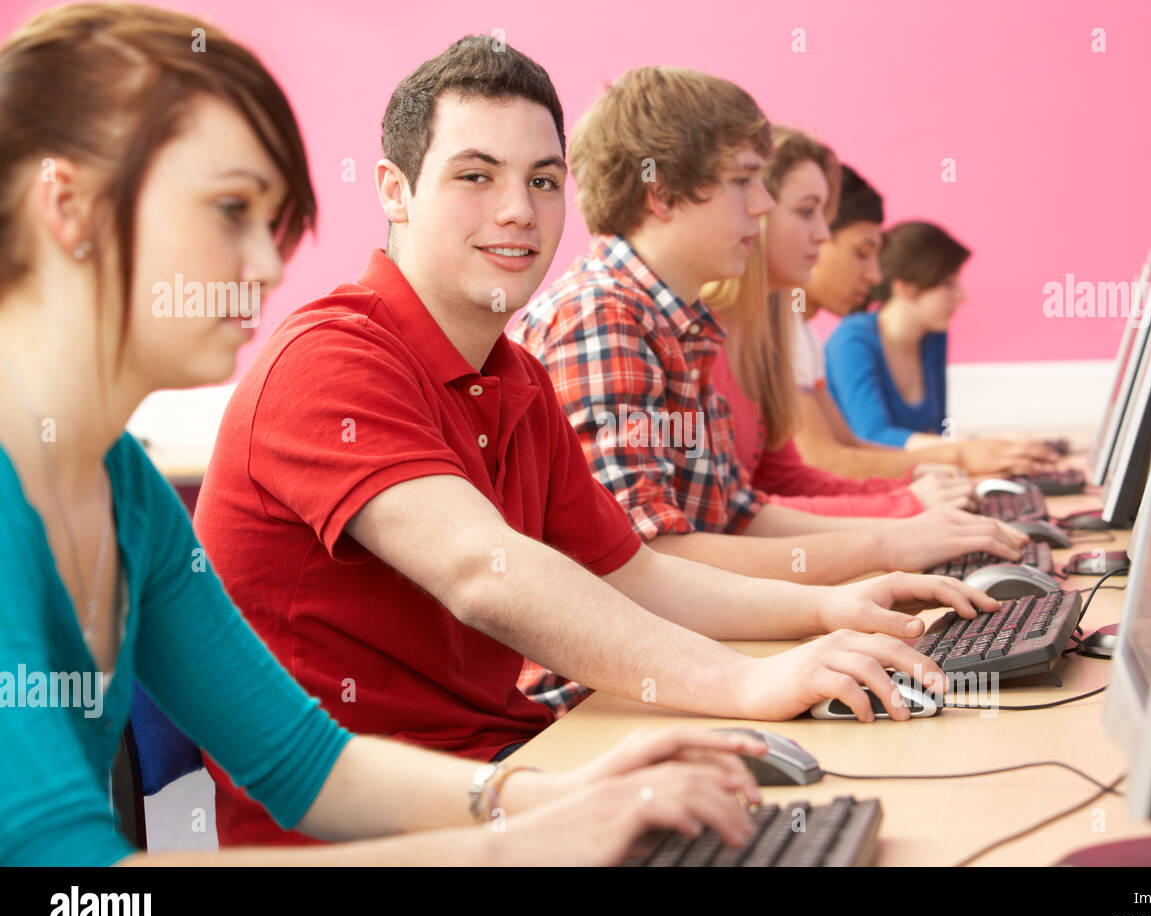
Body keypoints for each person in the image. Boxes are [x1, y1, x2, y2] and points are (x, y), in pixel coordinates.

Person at [0, 3, 777, 867]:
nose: (265, 264)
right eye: (229, 210)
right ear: (66, 204)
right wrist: (515, 845)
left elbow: (304, 761)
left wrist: (555, 801)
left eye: (272, 219)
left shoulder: (123, 490)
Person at [192, 37, 986, 846]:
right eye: (476, 176)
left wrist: (823, 611)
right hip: (390, 830)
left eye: (542, 182)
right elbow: (481, 571)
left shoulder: (518, 379)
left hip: (515, 768)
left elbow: (634, 570)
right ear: (395, 191)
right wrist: (750, 680)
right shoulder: (331, 358)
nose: (518, 210)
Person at [512, 66, 1029, 589]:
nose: (761, 205)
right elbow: (647, 561)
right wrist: (885, 545)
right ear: (662, 194)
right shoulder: (602, 317)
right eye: (742, 181)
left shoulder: (680, 324)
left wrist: (897, 538)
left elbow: (738, 512)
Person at [702, 126, 976, 517]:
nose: (820, 235)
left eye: (825, 218)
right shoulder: (702, 335)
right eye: (806, 212)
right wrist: (910, 499)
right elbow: (825, 461)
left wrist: (911, 487)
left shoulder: (775, 329)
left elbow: (787, 480)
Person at [797, 169, 1059, 476]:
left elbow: (934, 436)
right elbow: (870, 437)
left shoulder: (933, 338)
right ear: (906, 286)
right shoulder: (851, 339)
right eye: (948, 284)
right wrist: (966, 451)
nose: (961, 296)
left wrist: (988, 448)